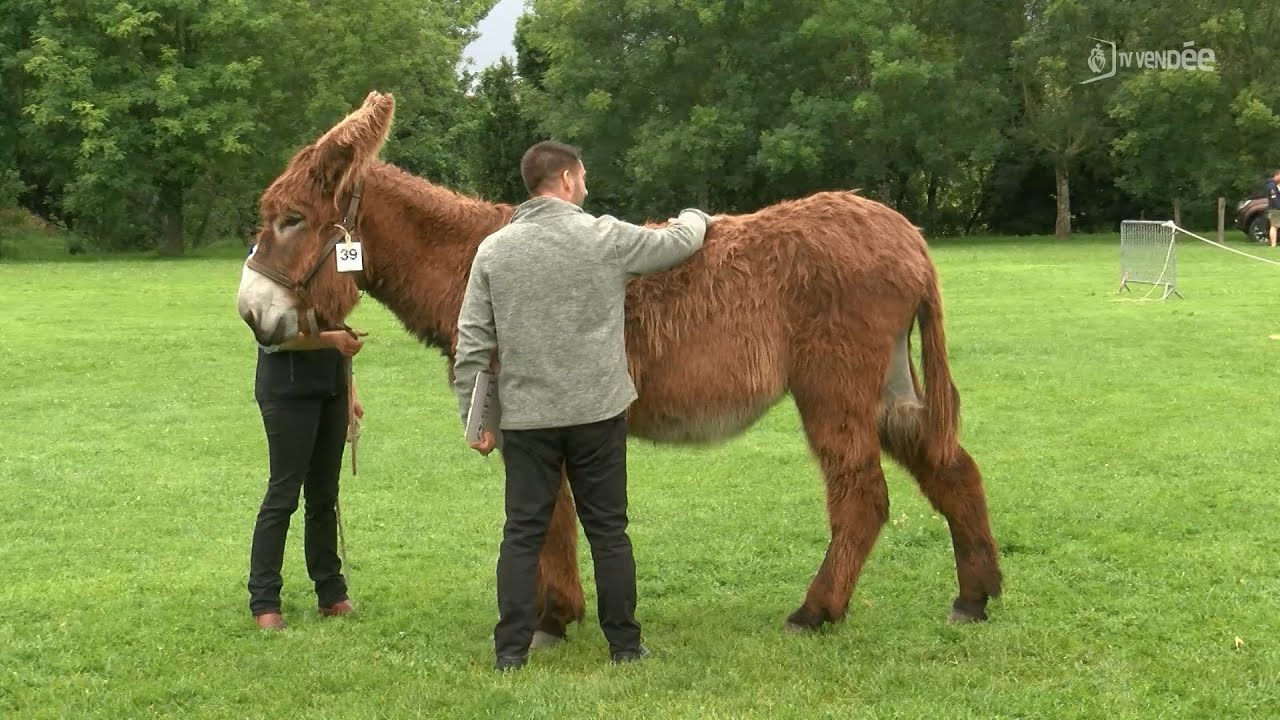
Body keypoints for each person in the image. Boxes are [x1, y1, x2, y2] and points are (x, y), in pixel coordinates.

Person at [452, 140, 714, 671]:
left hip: (528, 421)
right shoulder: (605, 237)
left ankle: (509, 653)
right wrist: (695, 214)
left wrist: (476, 419)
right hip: (598, 413)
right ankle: (624, 645)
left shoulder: (493, 251)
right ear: (567, 180)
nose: (587, 186)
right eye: (584, 177)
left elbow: (473, 344)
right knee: (609, 532)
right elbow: (679, 243)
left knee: (522, 534)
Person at [244, 243, 365, 631]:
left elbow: (340, 324)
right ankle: (265, 599)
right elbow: (271, 337)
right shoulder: (267, 260)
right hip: (287, 390)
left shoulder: (328, 254)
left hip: (331, 383)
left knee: (324, 495)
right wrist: (331, 341)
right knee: (284, 493)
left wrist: (351, 391)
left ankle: (330, 592)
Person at [1266, 169, 1280, 247]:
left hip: (1275, 208)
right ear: (1277, 175)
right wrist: (1278, 206)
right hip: (1275, 208)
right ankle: (1273, 244)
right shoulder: (1271, 185)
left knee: (1274, 226)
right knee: (1274, 226)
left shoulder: (1275, 184)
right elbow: (1274, 197)